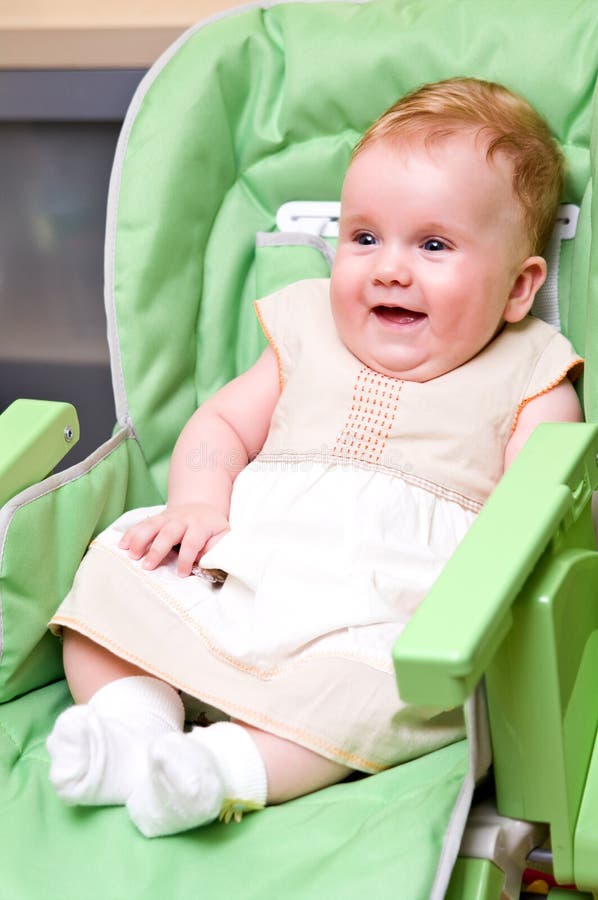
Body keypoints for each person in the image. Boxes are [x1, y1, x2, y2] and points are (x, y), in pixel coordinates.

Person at [46, 77, 583, 838]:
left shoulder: (533, 369)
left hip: (382, 612)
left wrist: (474, 596)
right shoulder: (305, 328)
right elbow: (220, 427)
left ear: (520, 288)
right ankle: (136, 722)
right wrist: (198, 502)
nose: (389, 268)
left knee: (410, 691)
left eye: (433, 245)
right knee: (111, 572)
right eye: (365, 237)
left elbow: (541, 503)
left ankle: (227, 770)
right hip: (244, 574)